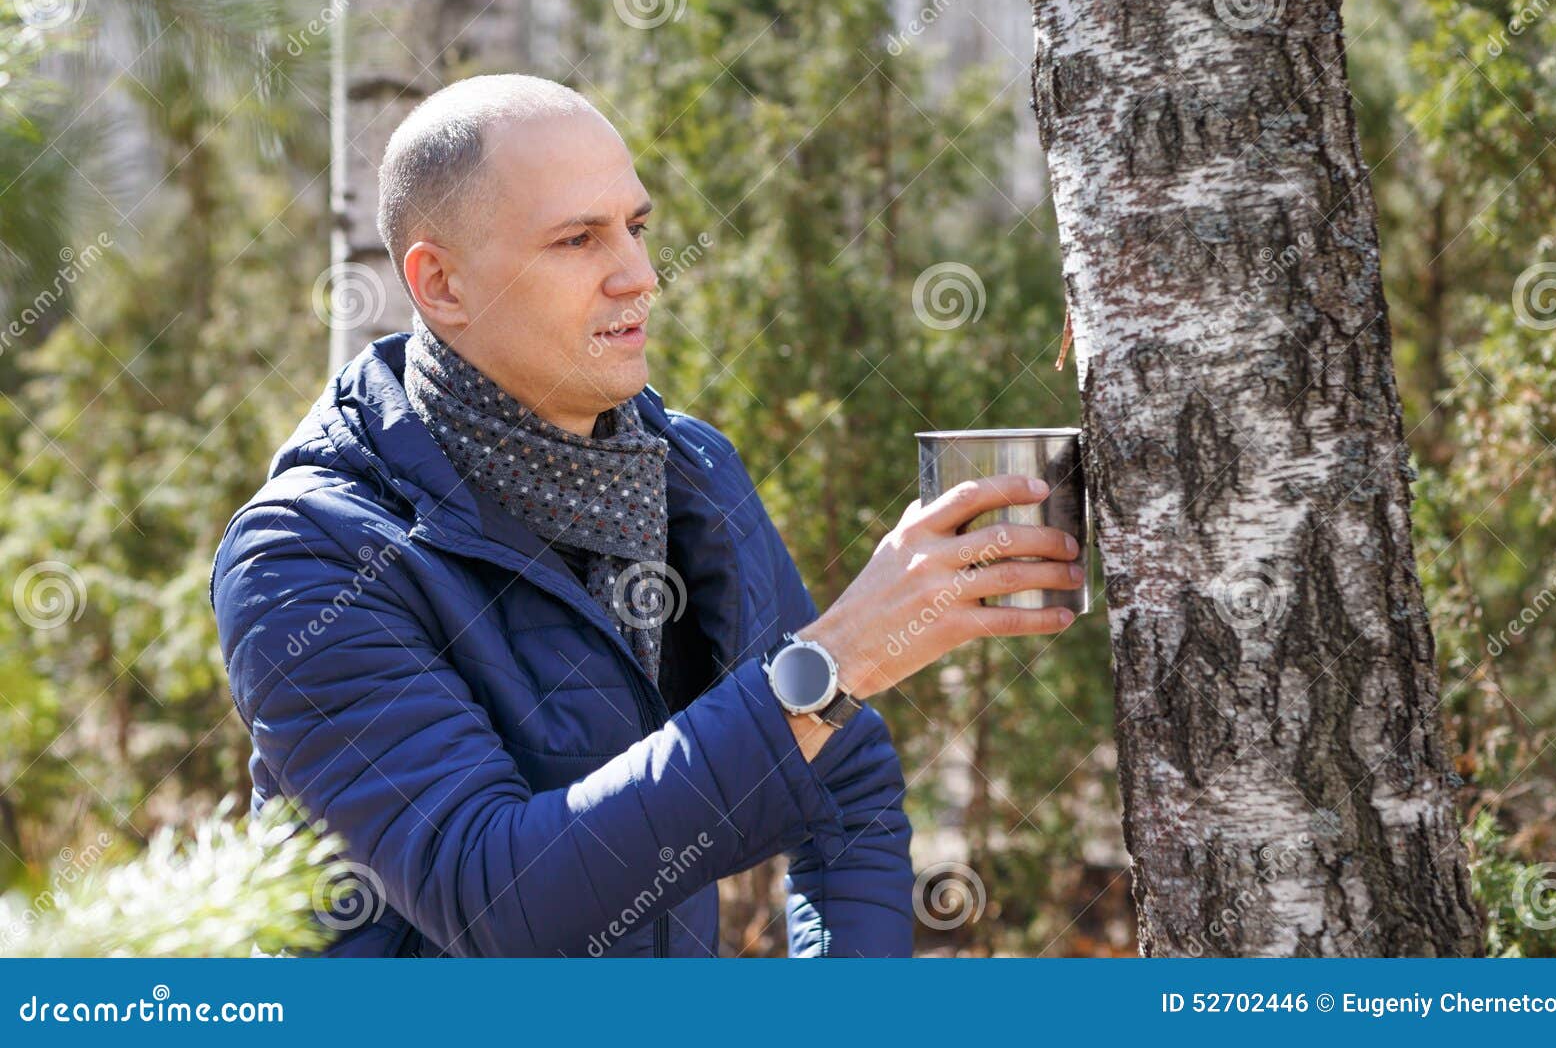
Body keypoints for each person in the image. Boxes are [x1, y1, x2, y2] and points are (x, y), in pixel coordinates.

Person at [210, 74, 1084, 958]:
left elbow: (847, 787)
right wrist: (829, 664)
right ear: (441, 284)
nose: (637, 276)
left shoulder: (690, 471)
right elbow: (492, 898)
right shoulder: (307, 557)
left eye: (636, 227)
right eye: (577, 239)